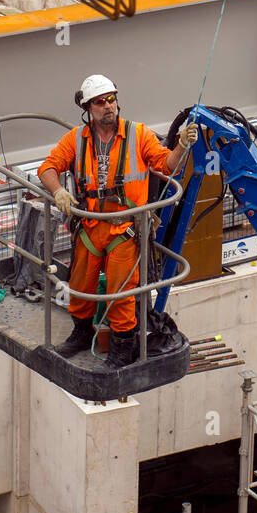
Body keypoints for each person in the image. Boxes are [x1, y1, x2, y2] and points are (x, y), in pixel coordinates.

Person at [38, 74, 198, 368]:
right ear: (88, 108)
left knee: (122, 292)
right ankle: (80, 335)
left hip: (125, 230)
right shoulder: (76, 139)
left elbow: (167, 165)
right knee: (80, 285)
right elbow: (48, 167)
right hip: (89, 227)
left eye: (111, 99)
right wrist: (58, 190)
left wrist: (181, 146)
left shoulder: (139, 135)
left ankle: (121, 351)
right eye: (100, 102)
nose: (108, 106)